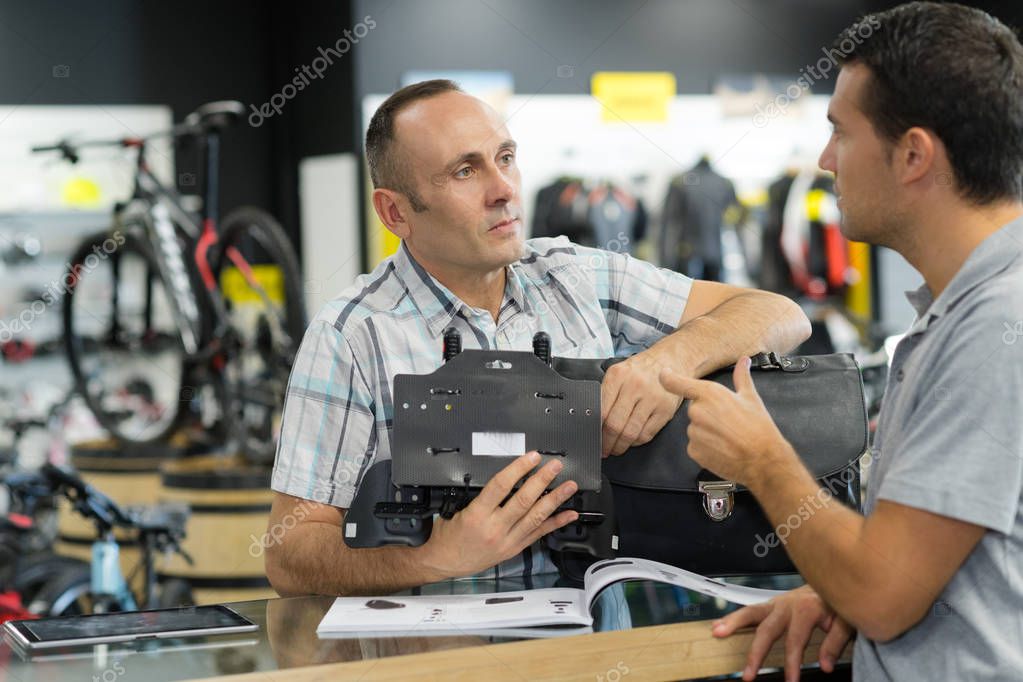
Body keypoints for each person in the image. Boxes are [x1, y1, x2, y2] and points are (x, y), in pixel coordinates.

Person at [265, 79, 811, 597]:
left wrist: (669, 360)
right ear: (394, 212)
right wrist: (435, 558)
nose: (503, 191)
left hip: (595, 652)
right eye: (463, 172)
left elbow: (780, 313)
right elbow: (289, 554)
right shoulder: (352, 337)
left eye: (505, 158)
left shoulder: (578, 277)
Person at [660, 3, 1023, 680]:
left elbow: (883, 596)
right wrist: (835, 586)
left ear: (912, 154)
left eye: (839, 133)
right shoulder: (963, 312)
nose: (825, 161)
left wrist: (761, 460)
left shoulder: (995, 329)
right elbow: (932, 561)